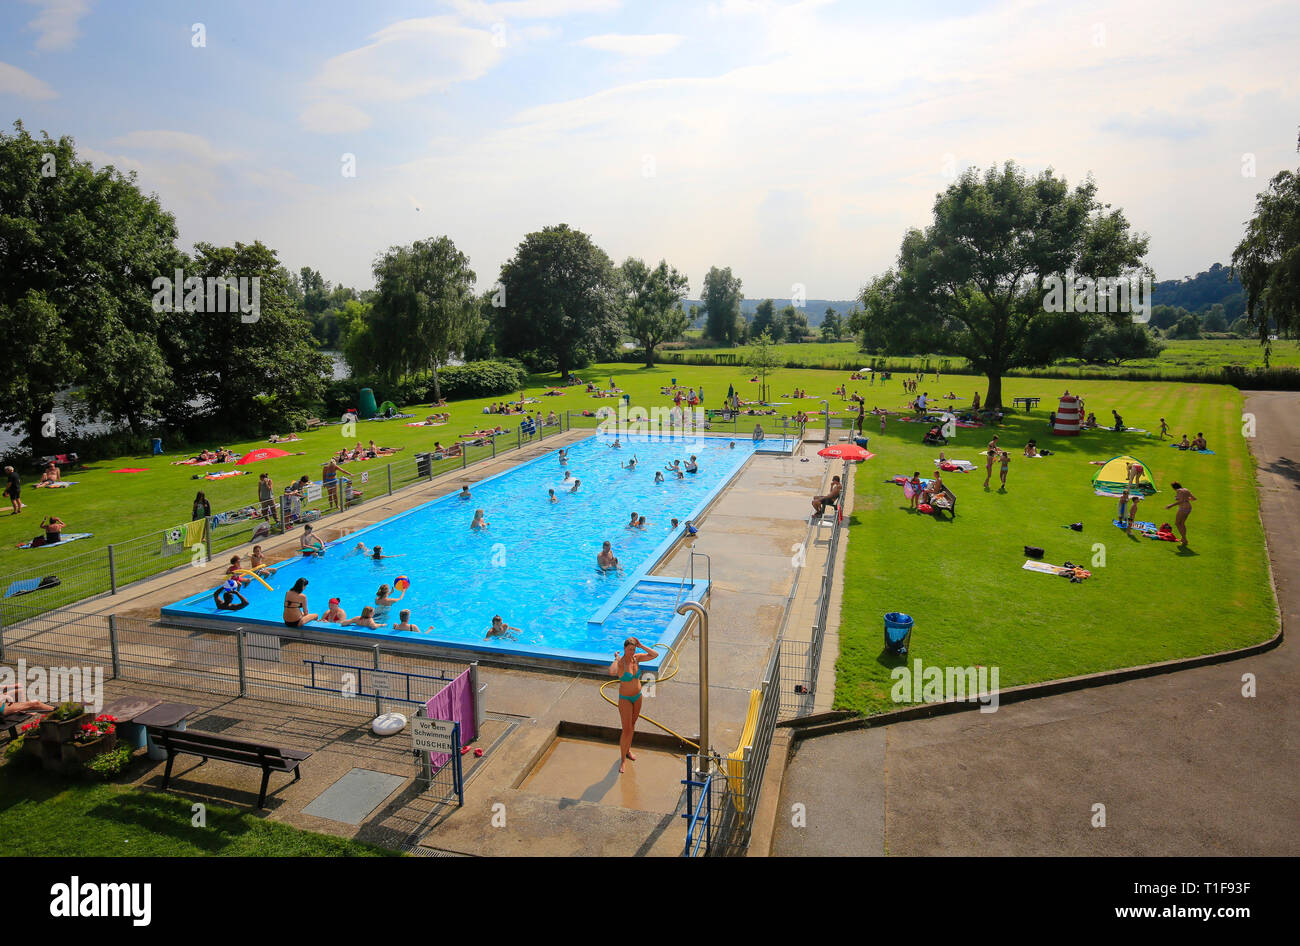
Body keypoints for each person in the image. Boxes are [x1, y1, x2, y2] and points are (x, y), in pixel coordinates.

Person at [609, 637, 659, 773]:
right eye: (629, 649)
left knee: (632, 725)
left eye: (633, 649)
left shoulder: (636, 658)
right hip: (625, 698)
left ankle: (628, 750)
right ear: (625, 648)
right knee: (626, 729)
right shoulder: (621, 662)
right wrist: (616, 658)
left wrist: (641, 645)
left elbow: (655, 655)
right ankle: (623, 760)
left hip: (637, 697)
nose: (632, 652)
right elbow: (612, 672)